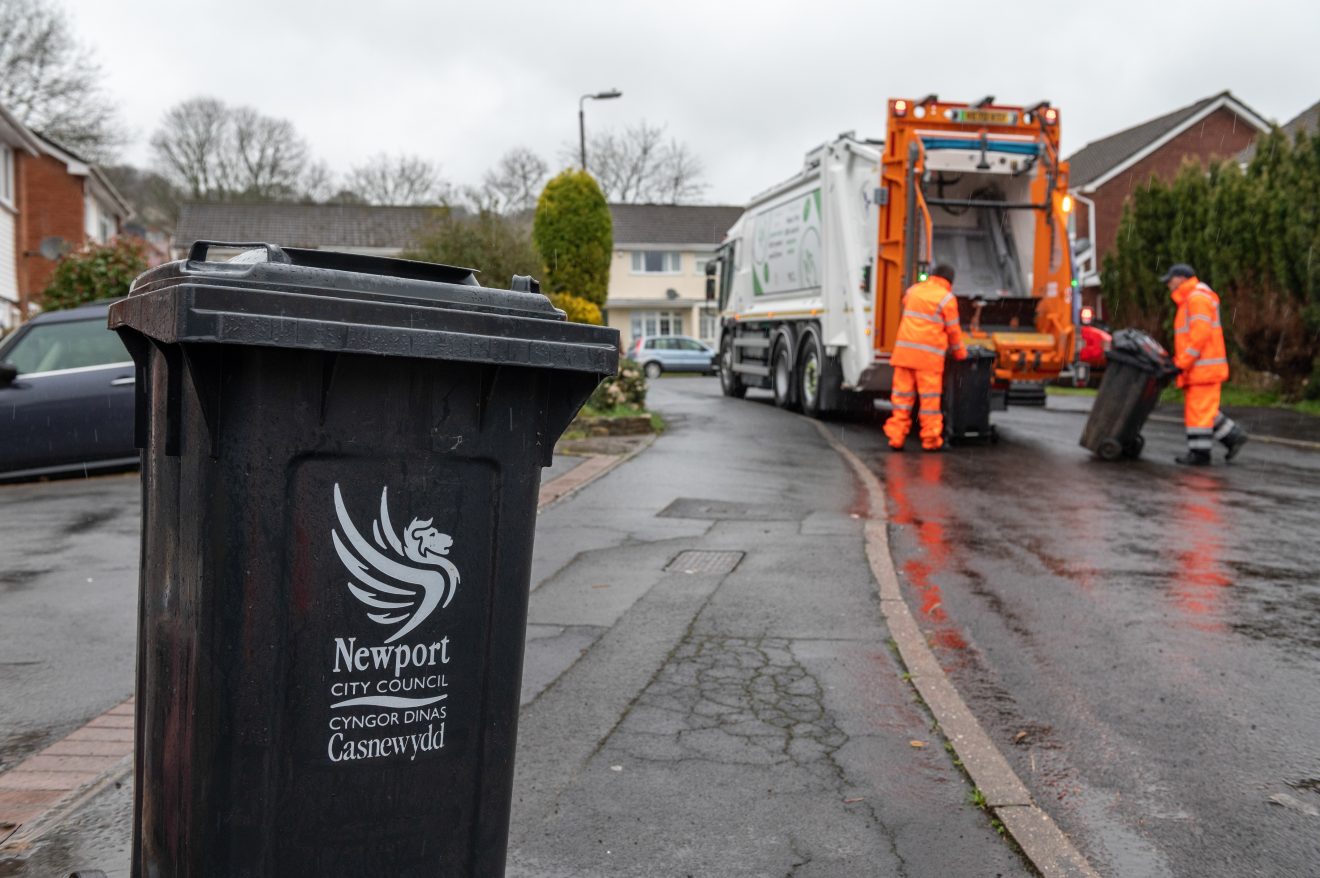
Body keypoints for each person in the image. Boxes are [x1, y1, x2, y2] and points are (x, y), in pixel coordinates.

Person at [1162, 263, 1248, 466]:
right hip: (1200, 368)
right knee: (1202, 410)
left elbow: (1199, 336)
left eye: (1170, 280)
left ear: (1181, 279)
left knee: (1200, 412)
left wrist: (1182, 363)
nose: (1168, 284)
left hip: (1202, 367)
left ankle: (1200, 453)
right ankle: (1232, 436)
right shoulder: (1192, 298)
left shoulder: (1197, 298)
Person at [884, 263, 967, 452]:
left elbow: (907, 304)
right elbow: (953, 331)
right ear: (950, 281)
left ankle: (896, 438)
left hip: (904, 355)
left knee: (901, 399)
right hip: (928, 359)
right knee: (929, 402)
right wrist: (960, 353)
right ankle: (930, 441)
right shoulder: (947, 299)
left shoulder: (913, 291)